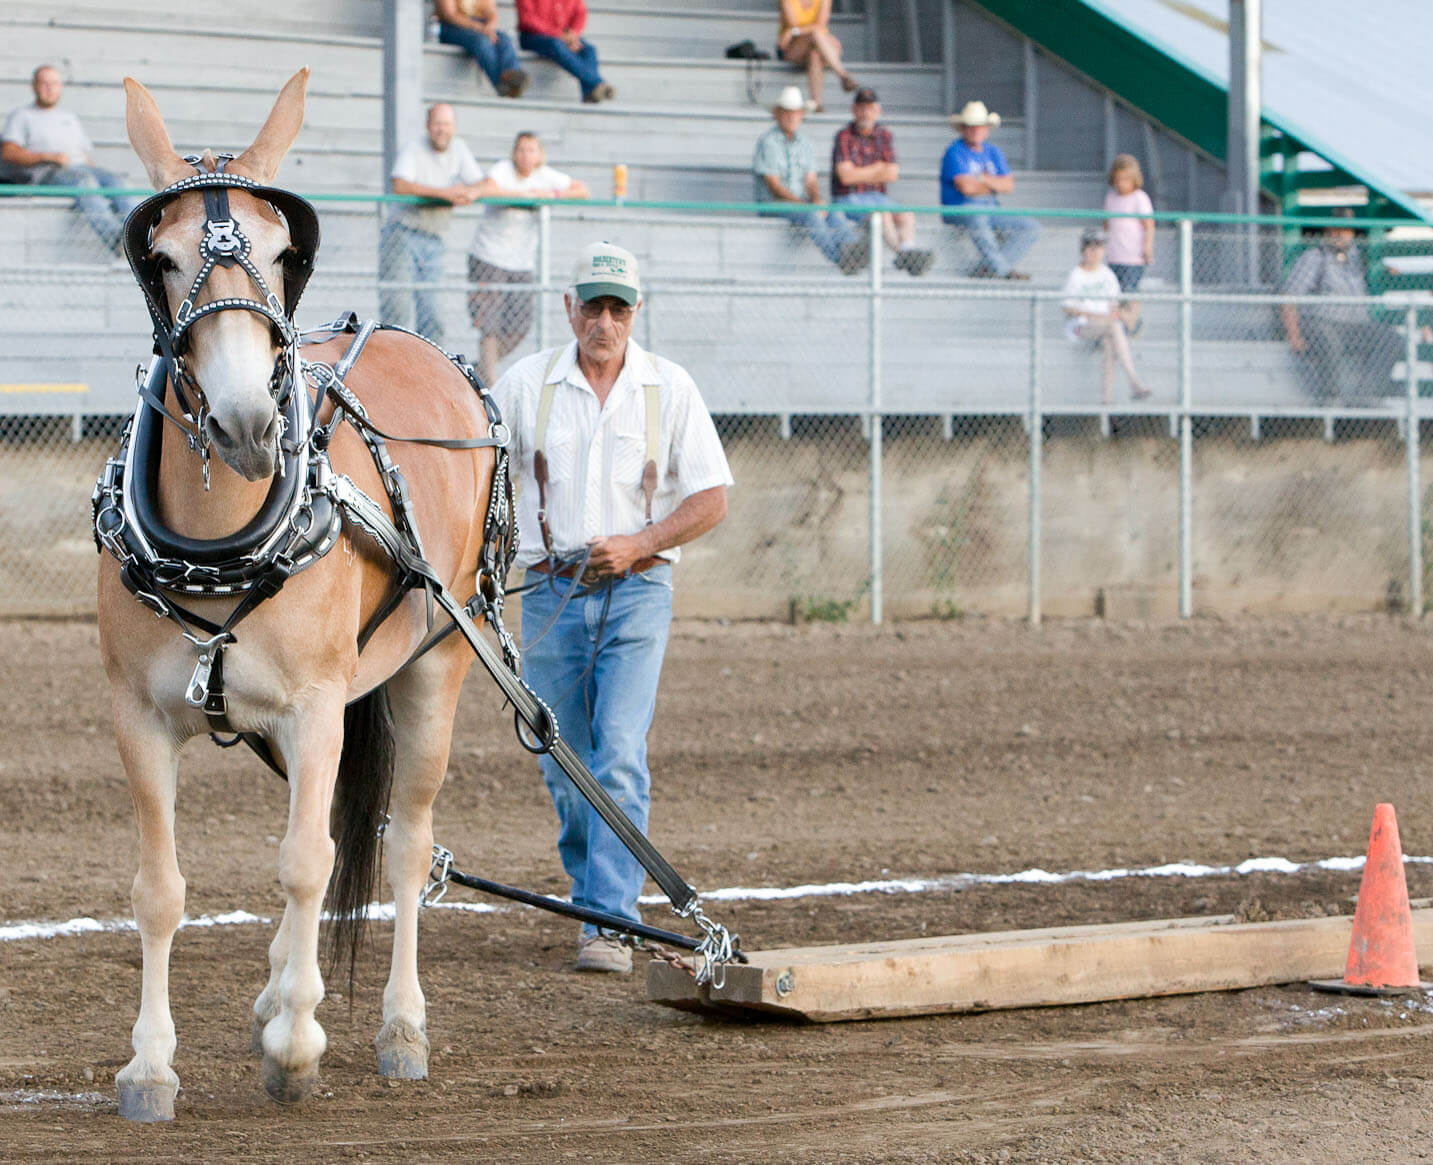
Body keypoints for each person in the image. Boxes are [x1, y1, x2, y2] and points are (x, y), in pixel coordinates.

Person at [492, 241, 732, 974]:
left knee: (619, 753)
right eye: (591, 305)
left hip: (639, 588)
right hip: (548, 591)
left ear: (634, 312)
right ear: (569, 308)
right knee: (561, 761)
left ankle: (608, 918)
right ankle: (595, 883)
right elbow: (485, 482)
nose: (603, 320)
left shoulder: (669, 387)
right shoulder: (522, 384)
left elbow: (712, 497)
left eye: (617, 307)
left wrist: (640, 543)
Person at [469, 131, 589, 385]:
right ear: (514, 153)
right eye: (521, 150)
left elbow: (581, 190)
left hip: (522, 263)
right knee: (489, 325)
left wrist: (550, 195)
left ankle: (476, 368)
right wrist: (525, 197)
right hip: (490, 256)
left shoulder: (545, 176)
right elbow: (487, 187)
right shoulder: (503, 170)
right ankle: (490, 383)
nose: (525, 155)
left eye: (531, 150)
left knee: (519, 326)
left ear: (540, 154)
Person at [0, 65, 143, 254]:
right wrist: (46, 156)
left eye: (54, 83)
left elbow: (83, 157)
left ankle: (139, 234)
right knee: (85, 182)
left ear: (60, 87)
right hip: (47, 173)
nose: (49, 88)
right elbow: (8, 153)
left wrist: (98, 173)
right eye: (44, 83)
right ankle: (116, 240)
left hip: (78, 168)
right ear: (34, 86)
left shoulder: (69, 118)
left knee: (114, 180)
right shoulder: (22, 116)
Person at [379, 102, 488, 345]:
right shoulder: (413, 148)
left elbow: (482, 182)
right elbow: (400, 185)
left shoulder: (459, 149)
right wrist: (446, 194)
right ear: (428, 126)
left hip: (434, 239)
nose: (442, 129)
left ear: (454, 127)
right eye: (437, 123)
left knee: (434, 314)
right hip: (402, 236)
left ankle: (427, 370)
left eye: (447, 124)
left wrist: (472, 192)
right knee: (396, 311)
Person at [1280, 207, 1409, 404]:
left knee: (1391, 339)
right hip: (1323, 324)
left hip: (1356, 327)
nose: (1341, 234)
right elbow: (1289, 297)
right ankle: (1333, 399)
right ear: (1327, 231)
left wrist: (1385, 271)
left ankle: (1366, 396)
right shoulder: (1315, 257)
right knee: (1328, 341)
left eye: (1347, 230)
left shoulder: (1358, 257)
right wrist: (1294, 335)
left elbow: (1375, 270)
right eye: (1336, 229)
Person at [754, 86, 867, 275]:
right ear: (778, 114)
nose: (792, 117)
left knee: (830, 210)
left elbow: (811, 181)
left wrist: (816, 200)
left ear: (801, 115)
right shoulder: (768, 142)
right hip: (774, 204)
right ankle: (840, 257)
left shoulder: (806, 143)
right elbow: (774, 186)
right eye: (787, 112)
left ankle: (852, 247)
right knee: (813, 214)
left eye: (795, 112)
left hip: (799, 203)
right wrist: (807, 205)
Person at [830, 88, 933, 277]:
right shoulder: (844, 135)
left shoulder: (884, 135)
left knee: (906, 214)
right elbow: (846, 177)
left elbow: (892, 173)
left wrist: (860, 172)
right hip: (848, 198)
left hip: (877, 196)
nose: (866, 112)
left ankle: (908, 249)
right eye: (861, 108)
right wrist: (877, 169)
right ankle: (903, 254)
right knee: (883, 215)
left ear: (878, 110)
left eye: (870, 108)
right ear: (854, 110)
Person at [939, 100, 1039, 280]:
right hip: (959, 208)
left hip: (991, 207)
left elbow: (1008, 185)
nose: (976, 130)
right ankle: (1003, 271)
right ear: (963, 128)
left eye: (980, 126)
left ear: (987, 128)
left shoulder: (994, 152)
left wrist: (982, 179)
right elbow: (967, 189)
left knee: (1031, 228)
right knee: (977, 216)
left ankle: (988, 268)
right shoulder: (954, 152)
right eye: (971, 126)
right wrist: (993, 184)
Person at [1061, 228, 1151, 404]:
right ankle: (1134, 381)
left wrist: (1124, 315)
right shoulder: (1076, 275)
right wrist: (1098, 315)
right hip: (1081, 326)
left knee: (1110, 342)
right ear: (1083, 250)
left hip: (1105, 326)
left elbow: (1113, 305)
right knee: (1113, 327)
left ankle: (1106, 397)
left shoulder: (1107, 275)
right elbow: (1068, 308)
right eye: (1091, 247)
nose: (1095, 252)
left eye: (1099, 247)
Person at [515, 0, 614, 103]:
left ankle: (590, 94)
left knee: (589, 50)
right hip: (533, 36)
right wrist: (559, 35)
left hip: (564, 37)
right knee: (555, 44)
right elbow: (527, 19)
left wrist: (573, 35)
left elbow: (580, 13)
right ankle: (596, 83)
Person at [1103, 154, 1154, 333]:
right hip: (1114, 254)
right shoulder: (1111, 198)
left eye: (1125, 180)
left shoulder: (1140, 198)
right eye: (1117, 180)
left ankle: (1131, 323)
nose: (1121, 184)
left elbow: (1148, 225)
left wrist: (1147, 247)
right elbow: (1106, 224)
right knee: (1114, 292)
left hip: (1133, 256)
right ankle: (1120, 323)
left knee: (1130, 290)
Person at [777, 0, 858, 113]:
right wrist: (813, 32)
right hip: (792, 47)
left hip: (817, 47)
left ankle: (816, 102)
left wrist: (795, 31)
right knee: (816, 35)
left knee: (814, 54)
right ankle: (843, 75)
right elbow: (793, 23)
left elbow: (820, 24)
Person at [436, 0, 529, 98]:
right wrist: (480, 28)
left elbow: (491, 12)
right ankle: (503, 85)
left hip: (481, 27)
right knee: (482, 42)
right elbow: (450, 15)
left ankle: (512, 74)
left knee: (504, 39)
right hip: (452, 28)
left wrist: (490, 27)